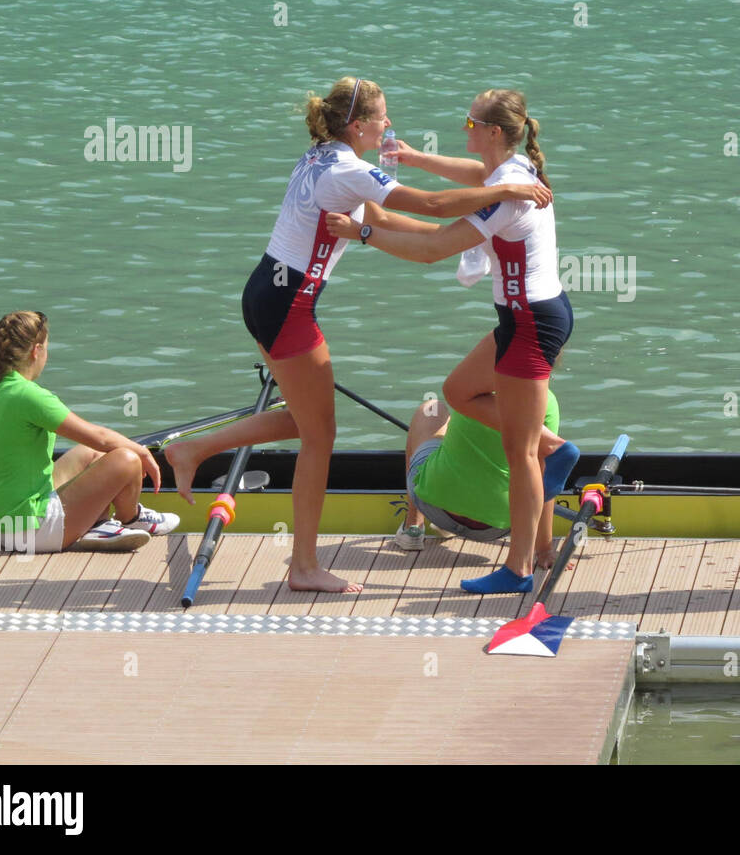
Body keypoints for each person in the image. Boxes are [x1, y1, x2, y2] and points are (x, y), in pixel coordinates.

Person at [165, 76, 552, 594]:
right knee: (320, 436)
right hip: (290, 305)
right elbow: (432, 207)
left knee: (305, 422)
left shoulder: (323, 156)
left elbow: (385, 218)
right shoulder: (348, 168)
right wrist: (500, 192)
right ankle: (303, 566)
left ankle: (194, 451)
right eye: (382, 117)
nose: (389, 124)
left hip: (263, 292)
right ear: (359, 124)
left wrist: (457, 241)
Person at [326, 88, 577, 594]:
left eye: (469, 122)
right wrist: (414, 158)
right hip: (525, 316)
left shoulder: (507, 194)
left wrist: (363, 234)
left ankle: (519, 569)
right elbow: (470, 176)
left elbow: (434, 246)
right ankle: (553, 448)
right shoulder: (511, 171)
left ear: (493, 133)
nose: (463, 128)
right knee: (458, 391)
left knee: (521, 453)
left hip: (531, 323)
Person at [0, 311, 173, 554]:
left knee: (90, 453)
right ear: (36, 350)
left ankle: (99, 525)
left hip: (0, 527)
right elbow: (101, 437)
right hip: (34, 532)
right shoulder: (28, 395)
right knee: (127, 459)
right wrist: (143, 454)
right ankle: (131, 517)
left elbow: (96, 444)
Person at [398, 391, 578, 589]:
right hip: (496, 527)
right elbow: (542, 478)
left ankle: (413, 528)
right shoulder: (546, 401)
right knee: (532, 466)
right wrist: (544, 549)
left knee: (431, 408)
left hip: (434, 505)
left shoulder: (469, 387)